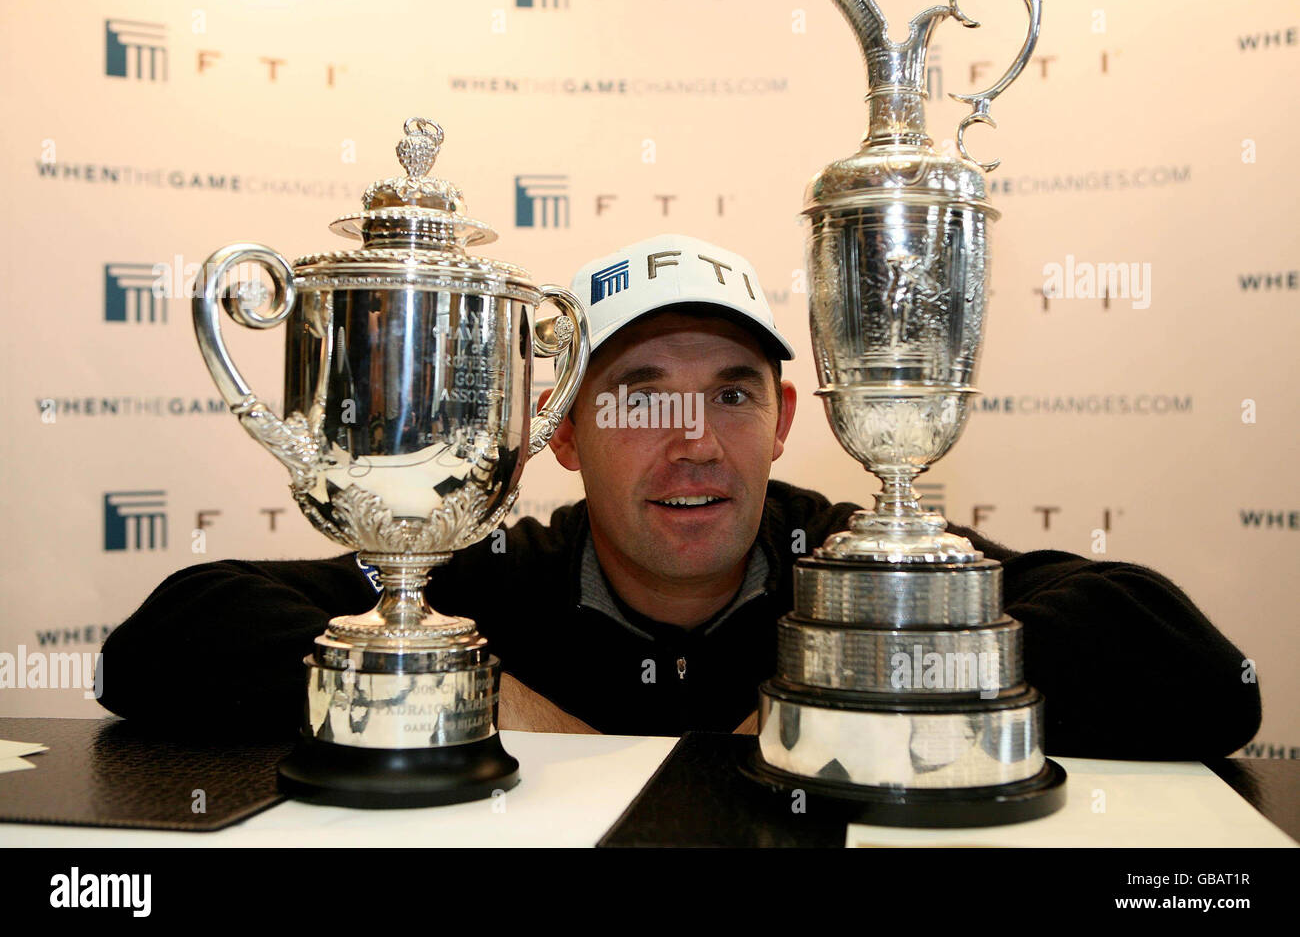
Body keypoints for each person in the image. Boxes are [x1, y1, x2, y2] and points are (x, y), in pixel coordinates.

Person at [98, 233, 1261, 759]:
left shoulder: (860, 558)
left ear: (787, 425)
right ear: (558, 435)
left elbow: (1193, 668)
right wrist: (483, 700)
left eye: (734, 394)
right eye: (640, 395)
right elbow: (164, 642)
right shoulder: (489, 574)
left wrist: (856, 698)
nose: (693, 441)